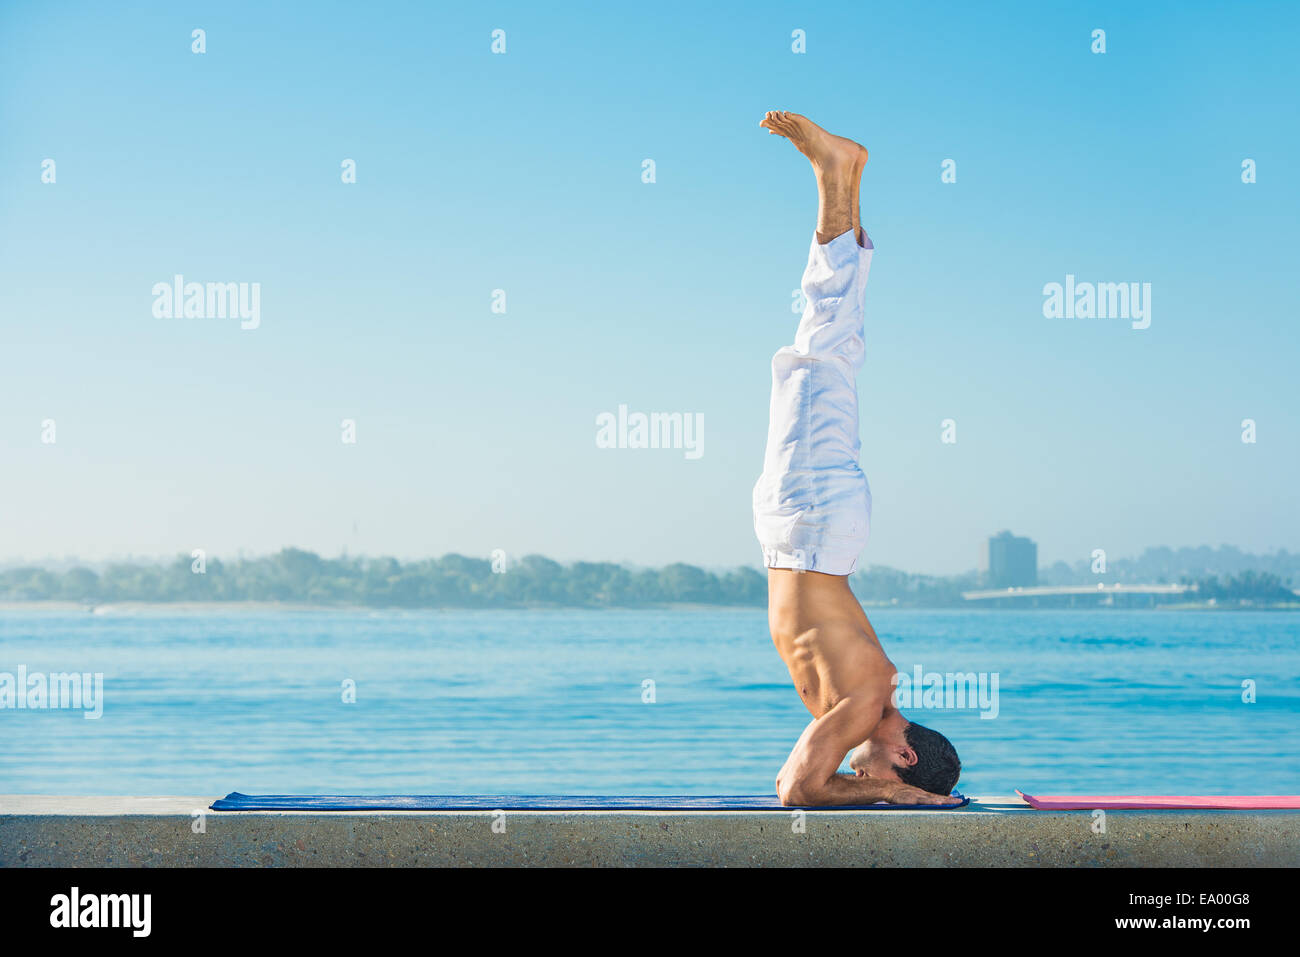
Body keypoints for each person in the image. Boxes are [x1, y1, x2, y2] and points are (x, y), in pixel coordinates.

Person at [753, 111, 962, 807]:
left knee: (825, 351)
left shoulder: (860, 705)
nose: (863, 777)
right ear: (903, 754)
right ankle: (835, 173)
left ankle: (839, 175)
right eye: (879, 775)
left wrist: (887, 791)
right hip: (810, 520)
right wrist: (894, 798)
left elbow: (806, 781)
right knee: (824, 348)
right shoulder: (864, 705)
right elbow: (796, 789)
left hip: (807, 526)